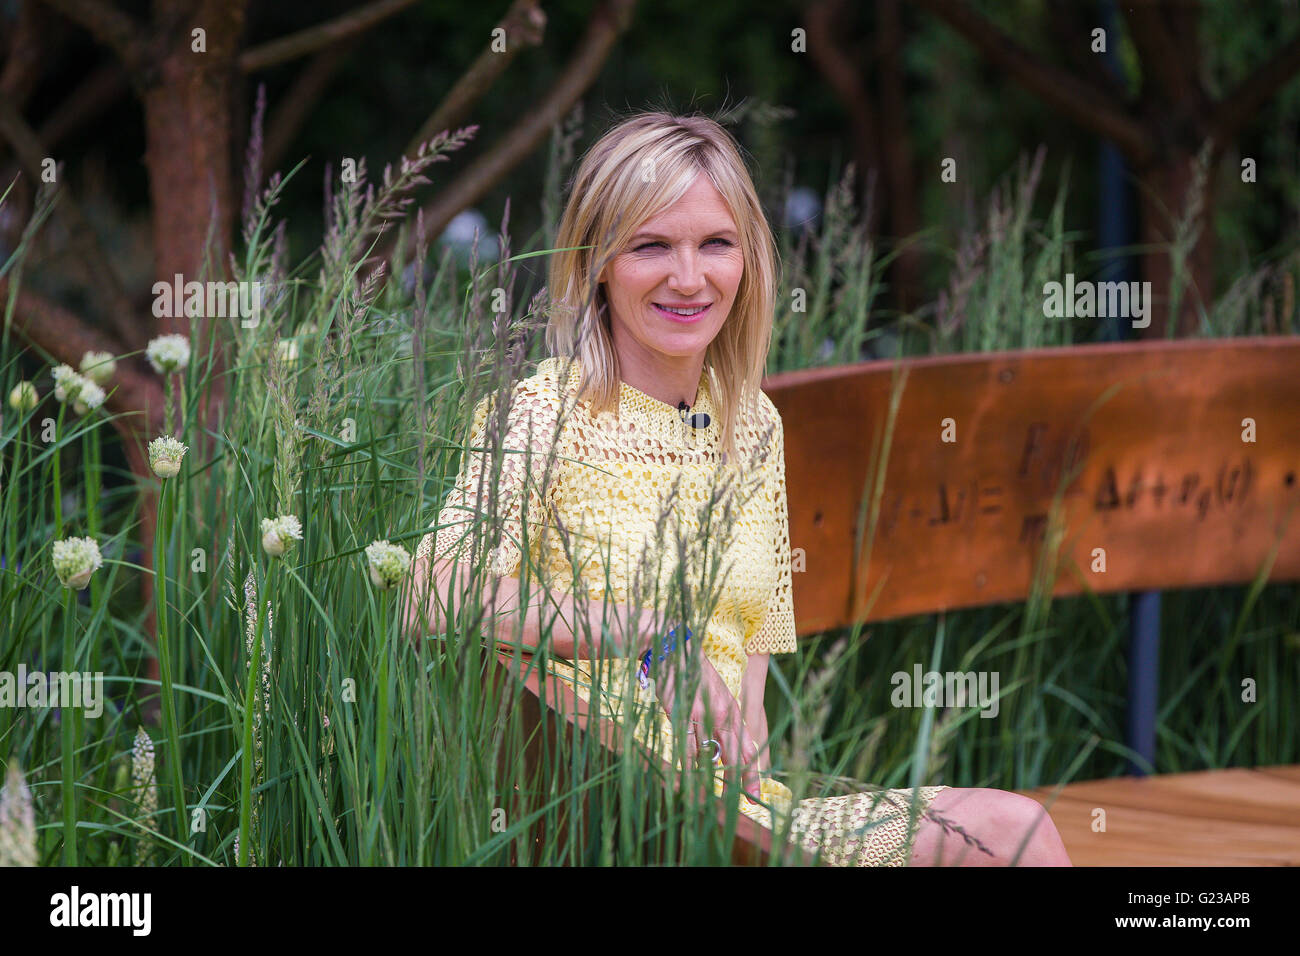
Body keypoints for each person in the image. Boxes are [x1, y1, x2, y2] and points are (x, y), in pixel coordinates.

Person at [406, 110, 1071, 867]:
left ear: (747, 258)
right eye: (651, 246)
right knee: (1008, 832)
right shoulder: (542, 413)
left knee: (1011, 831)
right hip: (617, 807)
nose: (689, 278)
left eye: (716, 244)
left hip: (736, 817)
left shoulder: (750, 423)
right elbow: (430, 592)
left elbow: (750, 669)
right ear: (597, 261)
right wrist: (651, 631)